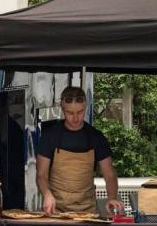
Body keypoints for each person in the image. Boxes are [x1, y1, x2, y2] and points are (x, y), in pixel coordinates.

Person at [35, 86, 123, 216]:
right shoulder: (50, 136)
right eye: (70, 113)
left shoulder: (96, 137)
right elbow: (41, 175)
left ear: (86, 107)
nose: (75, 118)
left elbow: (109, 174)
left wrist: (111, 197)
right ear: (62, 109)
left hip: (88, 211)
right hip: (56, 211)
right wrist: (47, 195)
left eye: (80, 112)